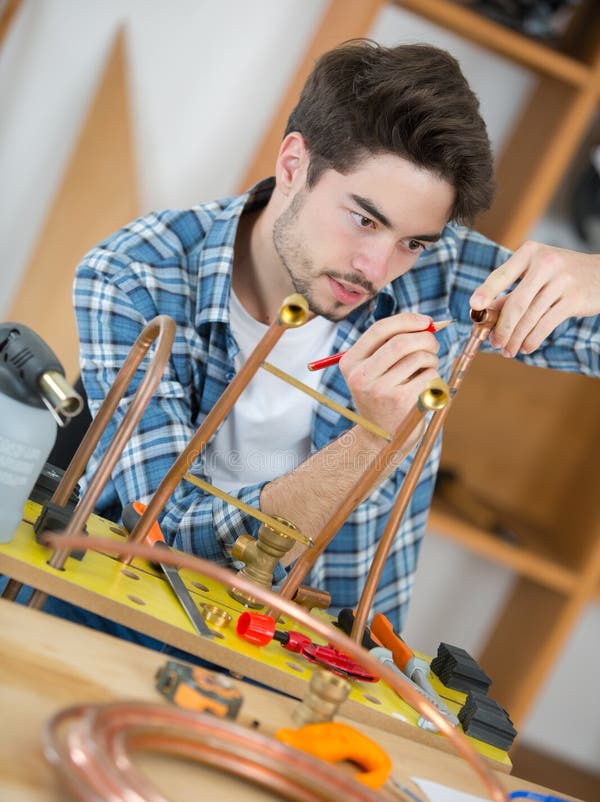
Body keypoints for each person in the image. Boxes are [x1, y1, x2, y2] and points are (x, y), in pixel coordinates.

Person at [73, 40, 600, 634]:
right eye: (364, 219)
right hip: (127, 616)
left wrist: (594, 277)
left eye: (412, 241)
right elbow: (166, 535)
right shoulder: (136, 275)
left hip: (314, 658)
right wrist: (371, 442)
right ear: (294, 164)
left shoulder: (440, 267)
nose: (376, 268)